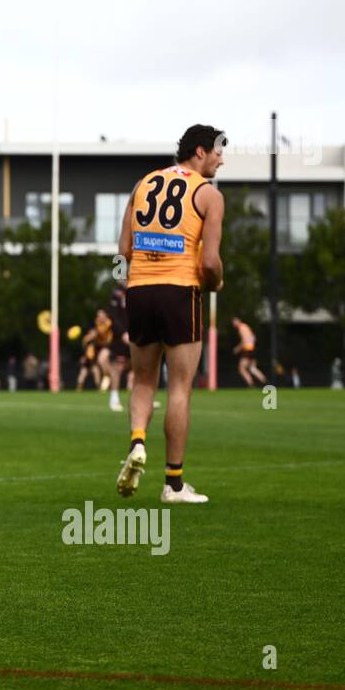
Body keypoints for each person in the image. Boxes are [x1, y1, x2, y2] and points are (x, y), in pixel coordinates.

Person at [115, 124, 226, 504]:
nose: (221, 159)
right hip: (180, 292)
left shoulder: (142, 184)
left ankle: (137, 442)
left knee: (143, 380)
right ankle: (174, 485)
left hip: (140, 291)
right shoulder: (209, 196)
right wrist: (217, 282)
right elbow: (210, 262)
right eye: (217, 152)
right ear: (199, 151)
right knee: (179, 388)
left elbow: (124, 249)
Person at [99, 291, 131, 411]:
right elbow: (113, 316)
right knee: (117, 367)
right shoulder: (116, 295)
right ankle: (114, 398)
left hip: (137, 335)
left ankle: (145, 399)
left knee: (141, 367)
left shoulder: (138, 287)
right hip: (120, 339)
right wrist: (122, 333)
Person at [232, 317, 267, 388]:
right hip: (252, 349)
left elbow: (244, 340)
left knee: (241, 368)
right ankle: (266, 382)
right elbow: (253, 337)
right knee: (252, 368)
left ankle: (251, 385)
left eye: (234, 322)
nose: (233, 325)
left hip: (247, 350)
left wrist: (237, 349)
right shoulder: (246, 326)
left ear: (238, 321)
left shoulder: (241, 328)